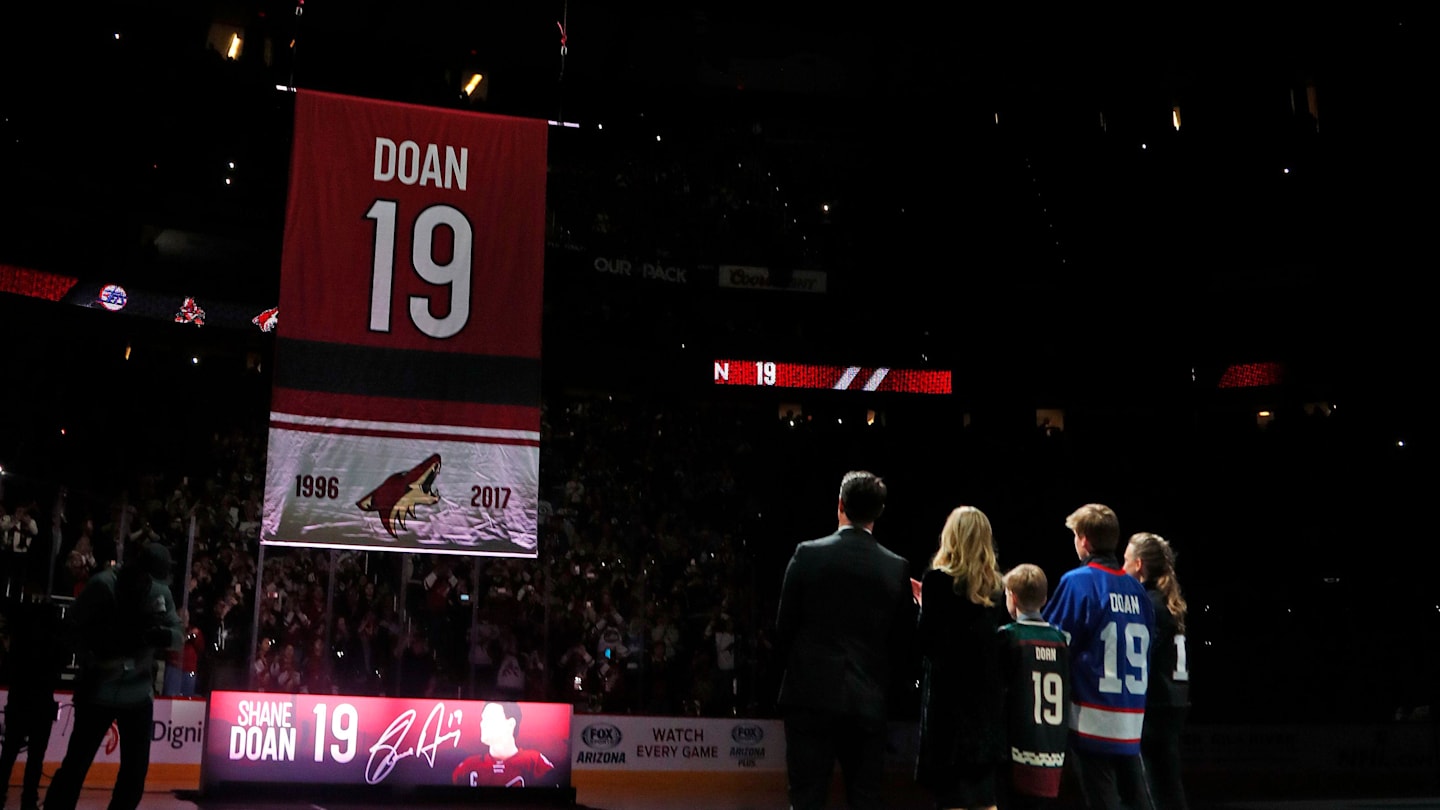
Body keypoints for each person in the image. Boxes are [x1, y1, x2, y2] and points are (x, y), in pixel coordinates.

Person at [774, 470, 916, 810]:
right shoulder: (895, 567)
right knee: (864, 799)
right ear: (878, 512)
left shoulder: (806, 554)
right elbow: (904, 643)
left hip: (809, 698)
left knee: (806, 799)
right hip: (867, 702)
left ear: (840, 505)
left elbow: (784, 629)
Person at [43, 541, 182, 810]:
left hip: (138, 694)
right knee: (76, 767)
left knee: (134, 774)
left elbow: (177, 634)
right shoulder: (103, 586)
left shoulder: (159, 592)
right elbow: (71, 628)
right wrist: (92, 659)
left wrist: (163, 636)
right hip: (99, 689)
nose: (150, 585)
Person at [1043, 505, 1156, 810]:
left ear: (1084, 540)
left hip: (1093, 716)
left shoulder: (1078, 581)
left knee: (1103, 801)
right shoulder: (1137, 589)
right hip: (1132, 717)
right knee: (1138, 798)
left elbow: (1053, 642)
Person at [915, 505, 1010, 810]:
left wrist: (922, 607)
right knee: (984, 795)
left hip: (948, 705)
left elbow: (927, 643)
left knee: (952, 795)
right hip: (985, 704)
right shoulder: (996, 588)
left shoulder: (937, 582)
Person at [996, 563, 1071, 810]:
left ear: (1012, 597)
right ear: (1045, 598)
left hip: (1018, 748)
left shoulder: (1009, 637)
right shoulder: (1061, 640)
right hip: (1054, 749)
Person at [1124, 533, 1190, 810]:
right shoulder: (1167, 602)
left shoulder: (1148, 604)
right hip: (1174, 702)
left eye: (1126, 560)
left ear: (1139, 565)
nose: (1122, 566)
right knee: (1169, 784)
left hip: (1155, 705)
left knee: (1150, 788)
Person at [0, 600, 66, 810]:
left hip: (19, 703)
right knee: (35, 759)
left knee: (8, 754)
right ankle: (29, 799)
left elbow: (8, 670)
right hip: (42, 706)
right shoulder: (53, 644)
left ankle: (0, 793)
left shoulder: (19, 643)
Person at [451, 701, 556, 787]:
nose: (483, 724)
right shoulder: (468, 766)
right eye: (483, 719)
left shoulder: (535, 761)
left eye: (490, 719)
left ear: (510, 724)